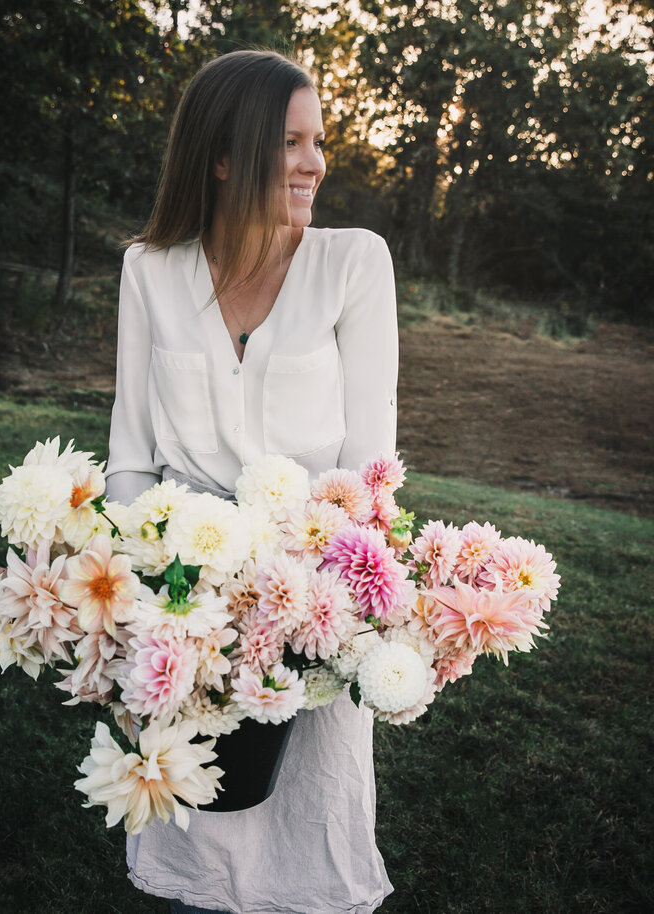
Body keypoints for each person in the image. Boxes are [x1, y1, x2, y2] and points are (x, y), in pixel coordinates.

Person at [105, 49, 398, 914]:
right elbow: (129, 455)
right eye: (292, 142)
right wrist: (151, 596)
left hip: (310, 606)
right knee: (194, 842)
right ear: (226, 154)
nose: (316, 163)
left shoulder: (354, 262)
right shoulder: (148, 271)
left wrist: (319, 603)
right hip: (183, 608)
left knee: (304, 849)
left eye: (319, 141)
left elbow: (370, 464)